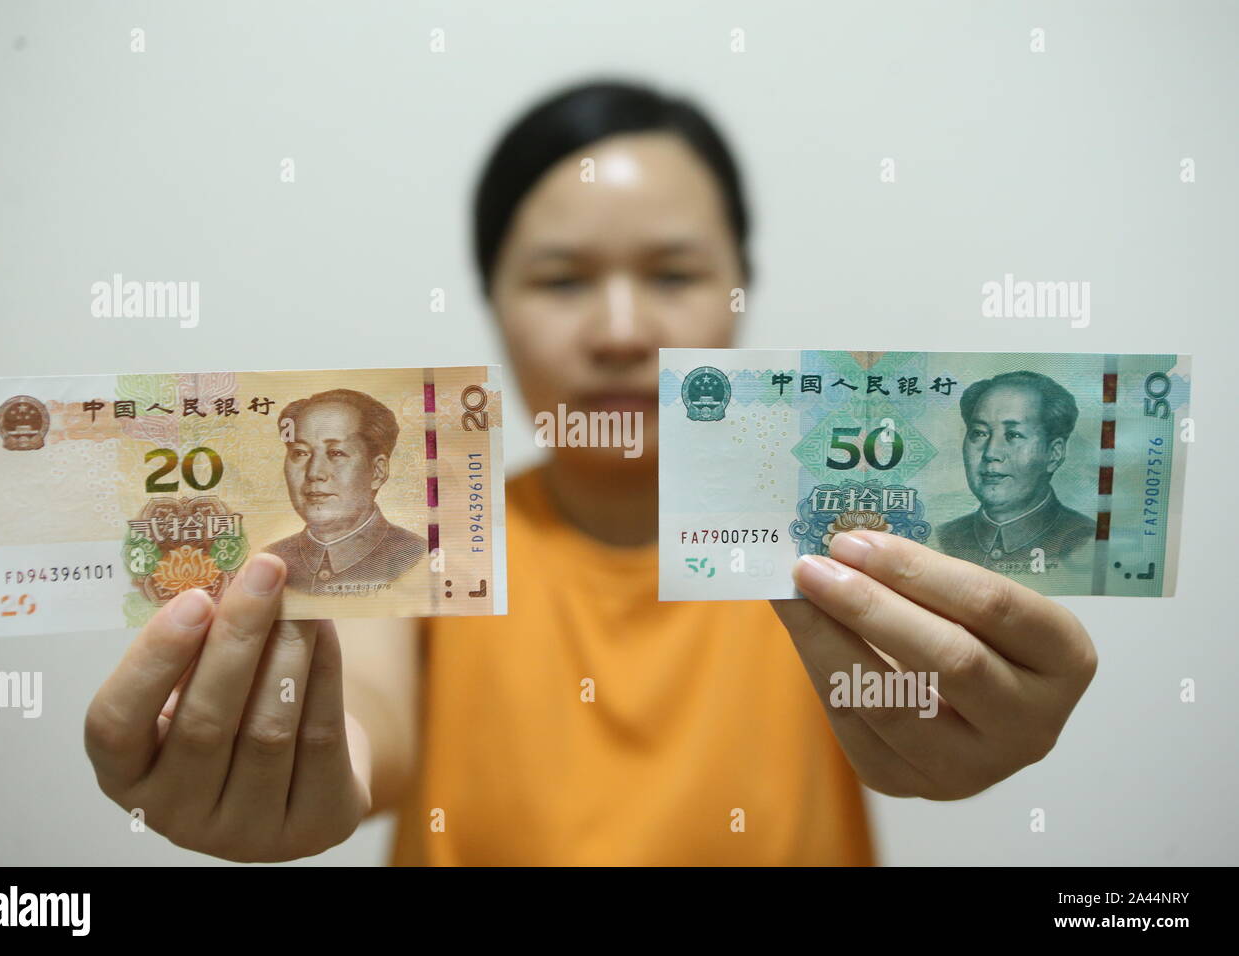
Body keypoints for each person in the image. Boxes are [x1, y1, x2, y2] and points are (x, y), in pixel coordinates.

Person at [84, 80, 1097, 865]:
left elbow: (930, 703)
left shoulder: (846, 540)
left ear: (740, 287)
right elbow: (368, 725)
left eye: (673, 273)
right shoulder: (435, 531)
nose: (620, 331)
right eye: (562, 280)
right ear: (493, 301)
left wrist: (976, 710)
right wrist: (283, 762)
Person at [264, 388, 426, 594]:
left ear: (377, 471)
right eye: (300, 453)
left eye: (336, 453)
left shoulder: (418, 558)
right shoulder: (269, 558)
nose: (314, 473)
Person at [936, 371, 1096, 568]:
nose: (991, 453)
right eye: (979, 433)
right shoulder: (941, 539)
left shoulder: (1087, 541)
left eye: (1013, 435)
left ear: (1054, 454)